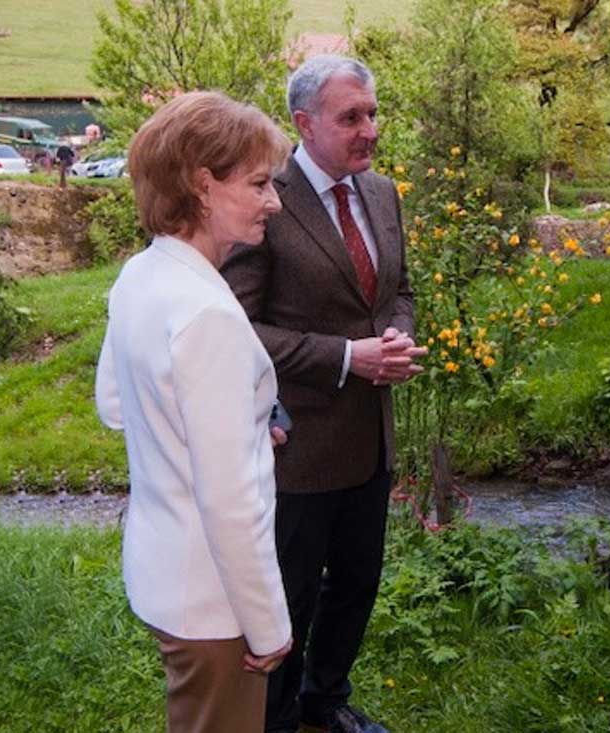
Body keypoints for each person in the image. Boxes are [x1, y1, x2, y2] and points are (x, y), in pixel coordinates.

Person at [221, 54, 426, 733]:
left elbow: (397, 291)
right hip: (296, 448)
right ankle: (274, 718)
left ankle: (324, 698)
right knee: (290, 597)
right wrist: (346, 357)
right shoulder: (265, 202)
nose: (369, 129)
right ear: (304, 124)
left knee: (357, 583)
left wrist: (394, 338)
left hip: (371, 440)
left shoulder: (381, 193)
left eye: (372, 113)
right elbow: (239, 330)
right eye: (351, 117)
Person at [94, 91, 294, 732]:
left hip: (162, 569)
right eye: (260, 183)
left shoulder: (142, 275)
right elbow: (229, 501)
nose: (276, 201)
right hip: (212, 598)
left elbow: (119, 406)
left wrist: (232, 427)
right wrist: (268, 628)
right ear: (202, 186)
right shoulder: (206, 312)